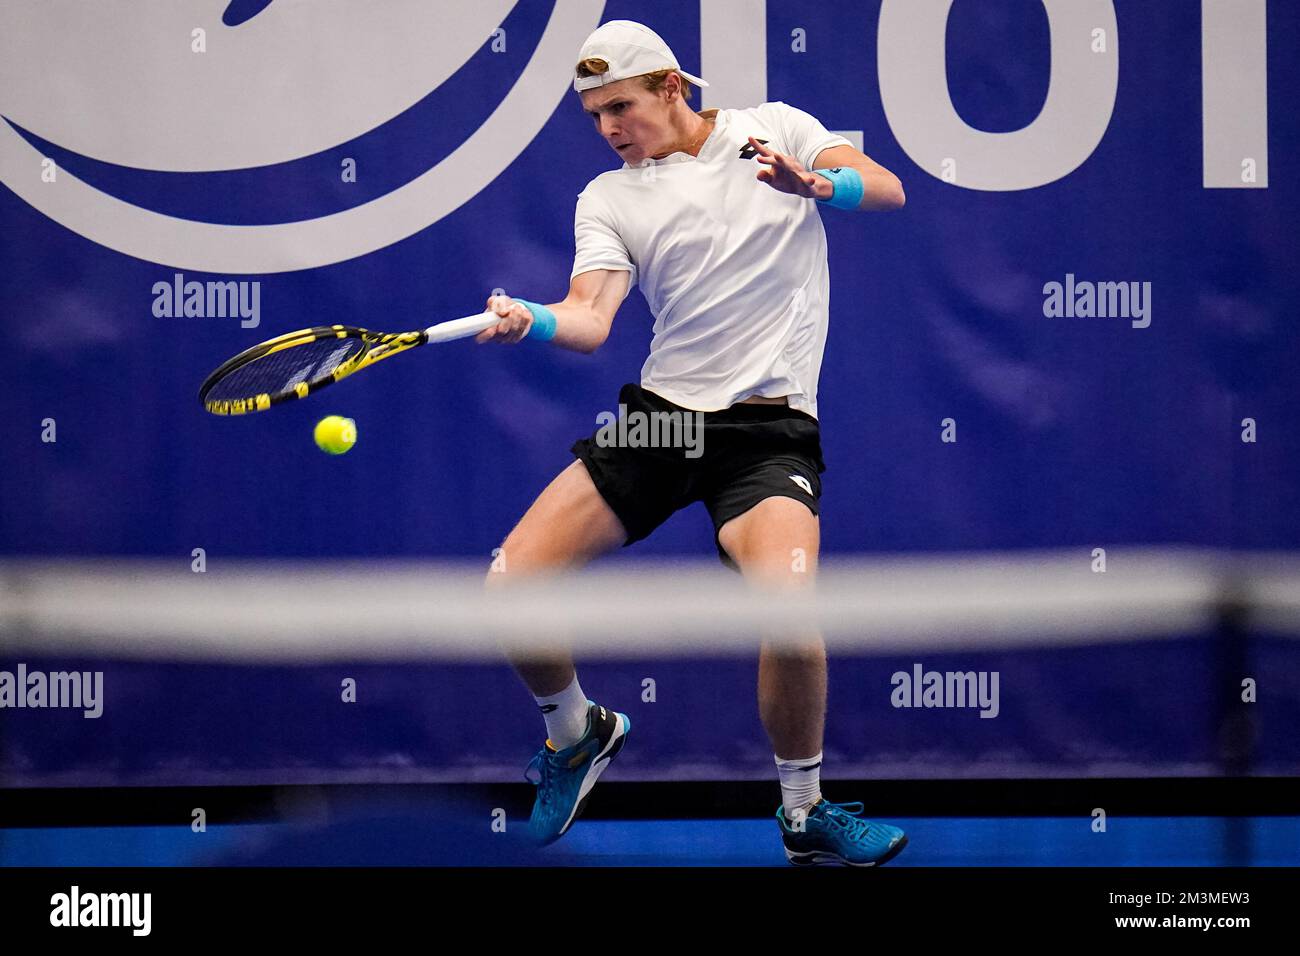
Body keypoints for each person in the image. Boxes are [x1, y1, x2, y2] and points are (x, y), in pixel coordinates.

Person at [479, 19, 908, 865]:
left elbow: (887, 188)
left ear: (673, 86)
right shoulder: (608, 195)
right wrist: (528, 317)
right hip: (664, 418)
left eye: (621, 107)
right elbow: (592, 319)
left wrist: (818, 187)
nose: (608, 128)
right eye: (595, 114)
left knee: (792, 619)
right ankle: (577, 735)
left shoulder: (775, 129)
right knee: (511, 585)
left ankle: (802, 811)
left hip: (767, 430)